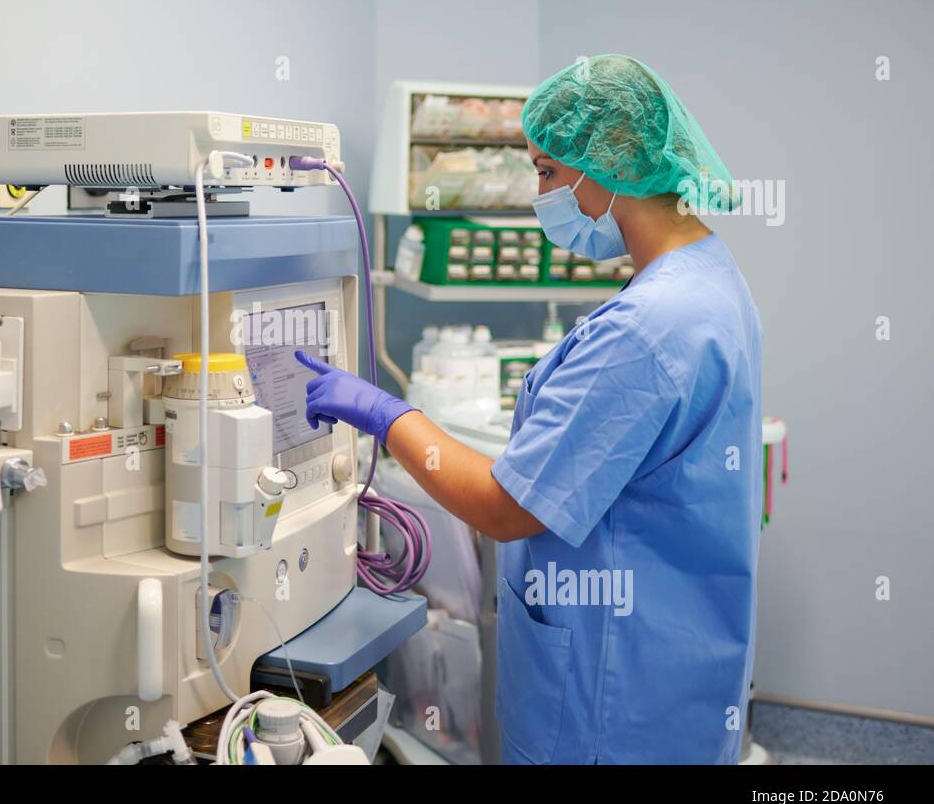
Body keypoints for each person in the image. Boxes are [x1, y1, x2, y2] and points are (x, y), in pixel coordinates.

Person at [298, 55, 762, 764]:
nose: (538, 192)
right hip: (676, 659)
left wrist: (385, 414)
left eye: (547, 173)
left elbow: (506, 507)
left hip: (610, 695)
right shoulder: (710, 277)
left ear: (608, 167)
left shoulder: (647, 327)